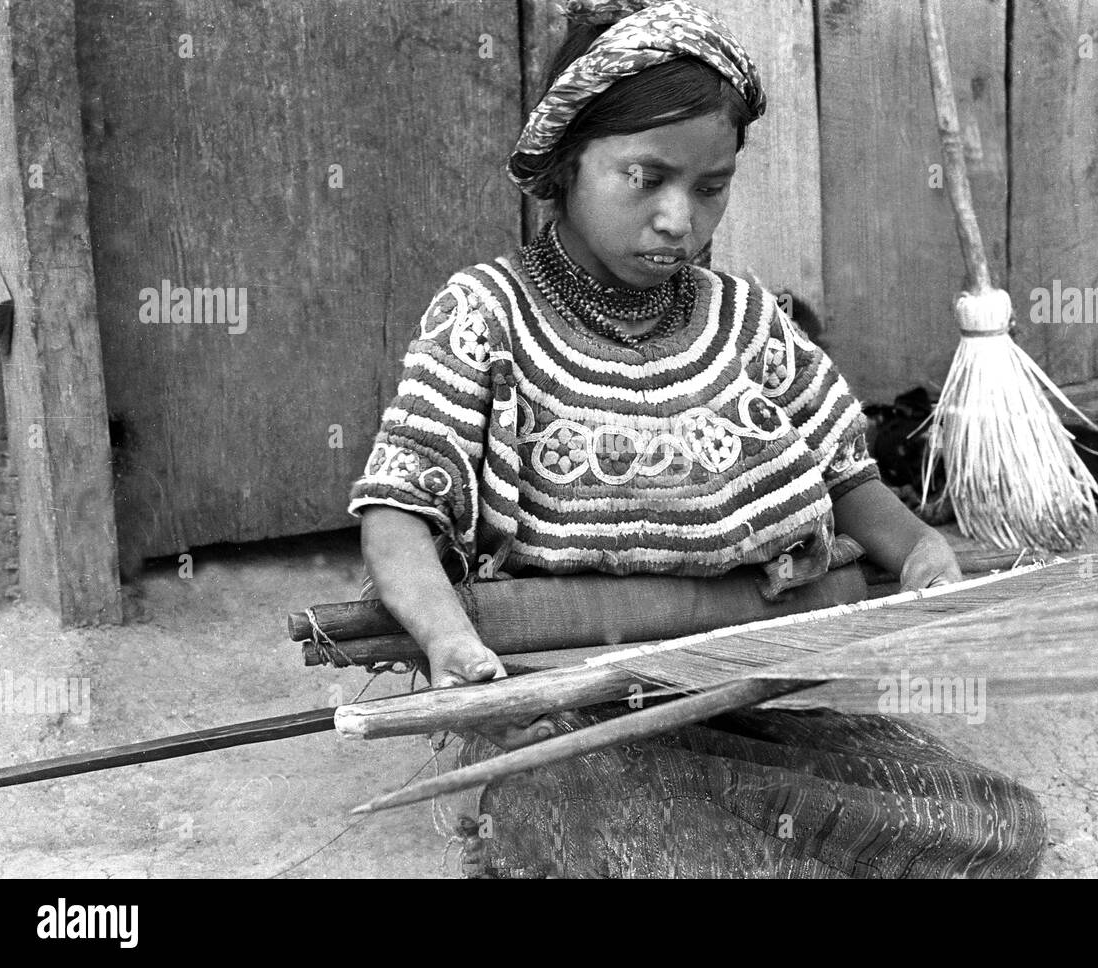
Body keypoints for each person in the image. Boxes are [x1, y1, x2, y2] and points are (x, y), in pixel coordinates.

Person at [349, 0, 1045, 877]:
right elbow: (398, 513)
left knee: (987, 826)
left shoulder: (748, 322)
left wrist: (916, 553)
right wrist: (454, 648)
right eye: (645, 178)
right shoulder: (486, 318)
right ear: (566, 164)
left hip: (719, 695)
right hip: (560, 708)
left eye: (710, 187)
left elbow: (847, 480)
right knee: (626, 824)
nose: (680, 218)